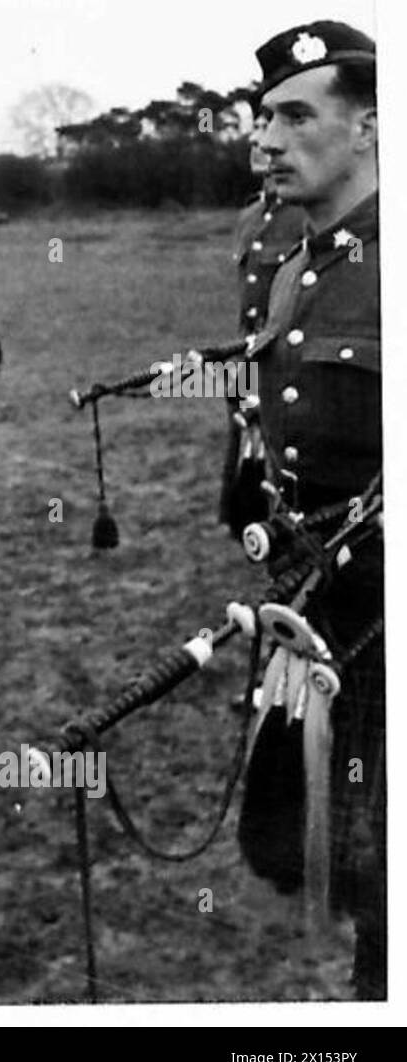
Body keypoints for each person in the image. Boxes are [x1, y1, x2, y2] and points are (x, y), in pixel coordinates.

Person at [238, 21, 382, 999]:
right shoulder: (300, 269)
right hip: (323, 621)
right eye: (262, 117)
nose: (268, 139)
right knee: (326, 853)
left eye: (296, 115)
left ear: (369, 125)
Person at [219, 111, 308, 537]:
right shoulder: (250, 217)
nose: (257, 139)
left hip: (290, 362)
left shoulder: (305, 217)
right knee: (248, 451)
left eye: (266, 127)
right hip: (250, 355)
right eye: (254, 127)